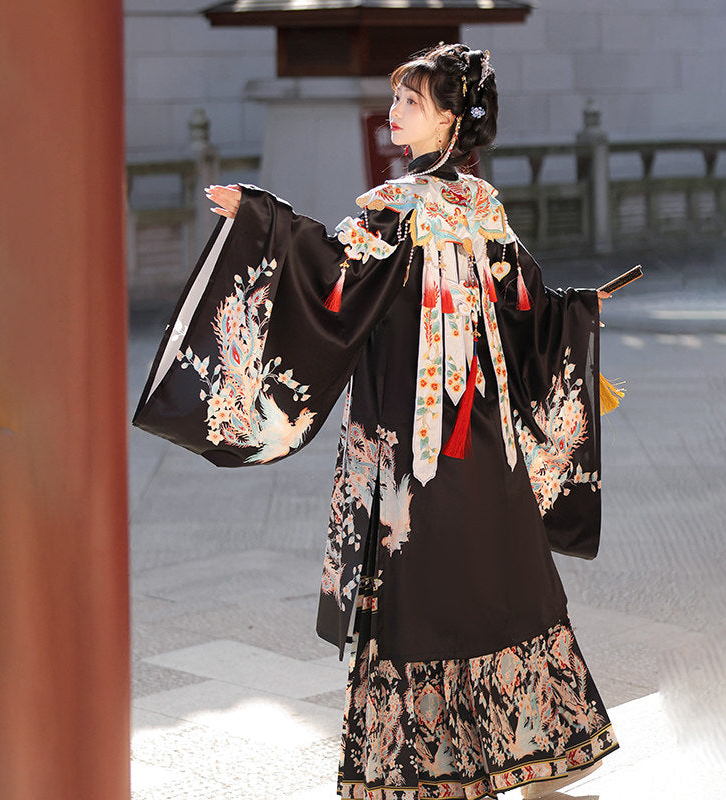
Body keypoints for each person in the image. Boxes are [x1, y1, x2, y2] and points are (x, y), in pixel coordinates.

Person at [134, 43, 618, 800]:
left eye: (411, 102)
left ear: (452, 120)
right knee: (492, 573)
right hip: (473, 441)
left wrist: (265, 223)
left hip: (424, 444)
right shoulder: (461, 208)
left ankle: (429, 763)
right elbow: (514, 305)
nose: (393, 113)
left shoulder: (414, 210)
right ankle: (533, 742)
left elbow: (340, 276)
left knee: (449, 578)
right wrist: (576, 313)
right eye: (396, 100)